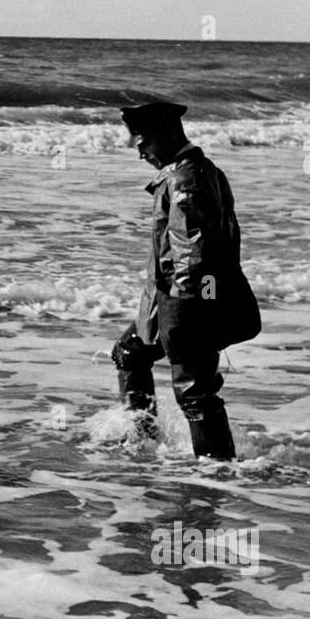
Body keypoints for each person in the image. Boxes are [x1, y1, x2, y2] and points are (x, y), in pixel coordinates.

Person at [110, 100, 260, 459]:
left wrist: (191, 313)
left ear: (165, 132)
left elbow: (192, 254)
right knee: (130, 354)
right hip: (175, 299)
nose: (138, 150)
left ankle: (217, 472)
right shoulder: (197, 170)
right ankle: (142, 441)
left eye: (142, 139)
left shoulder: (185, 179)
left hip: (185, 301)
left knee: (195, 392)